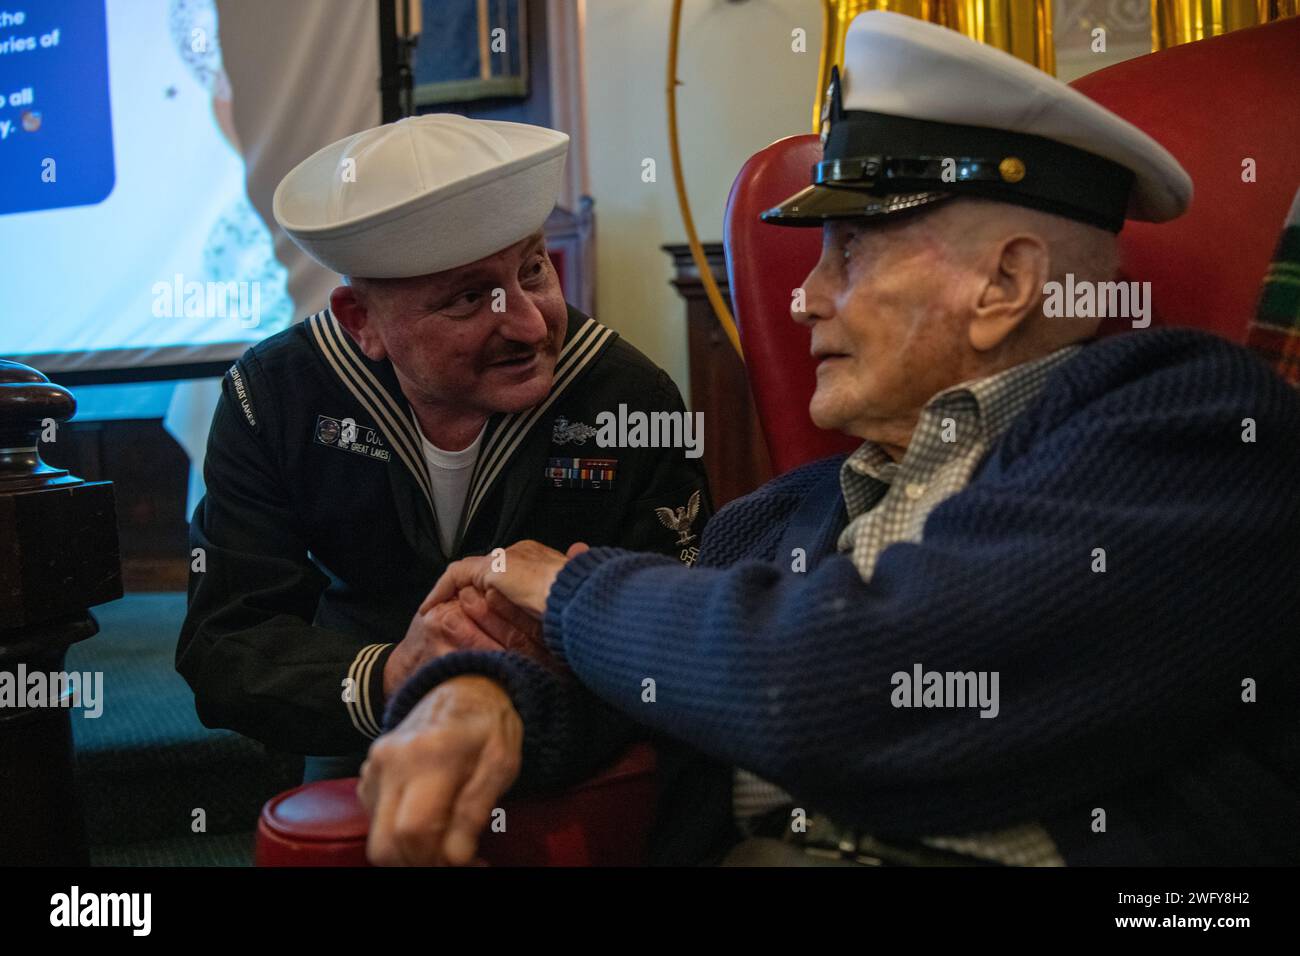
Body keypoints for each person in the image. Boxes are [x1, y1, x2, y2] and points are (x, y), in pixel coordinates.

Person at [357, 12, 1300, 867]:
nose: (802, 294)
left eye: (850, 249)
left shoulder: (1190, 430)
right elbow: (652, 673)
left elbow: (859, 678)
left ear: (1006, 286)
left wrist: (566, 587)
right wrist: (478, 693)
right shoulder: (784, 514)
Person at [176, 114, 712, 782]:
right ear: (361, 321)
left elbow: (686, 633)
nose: (528, 323)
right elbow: (224, 645)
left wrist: (525, 680)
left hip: (577, 713)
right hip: (370, 703)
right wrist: (389, 674)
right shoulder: (274, 401)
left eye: (534, 270)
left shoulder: (629, 399)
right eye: (468, 300)